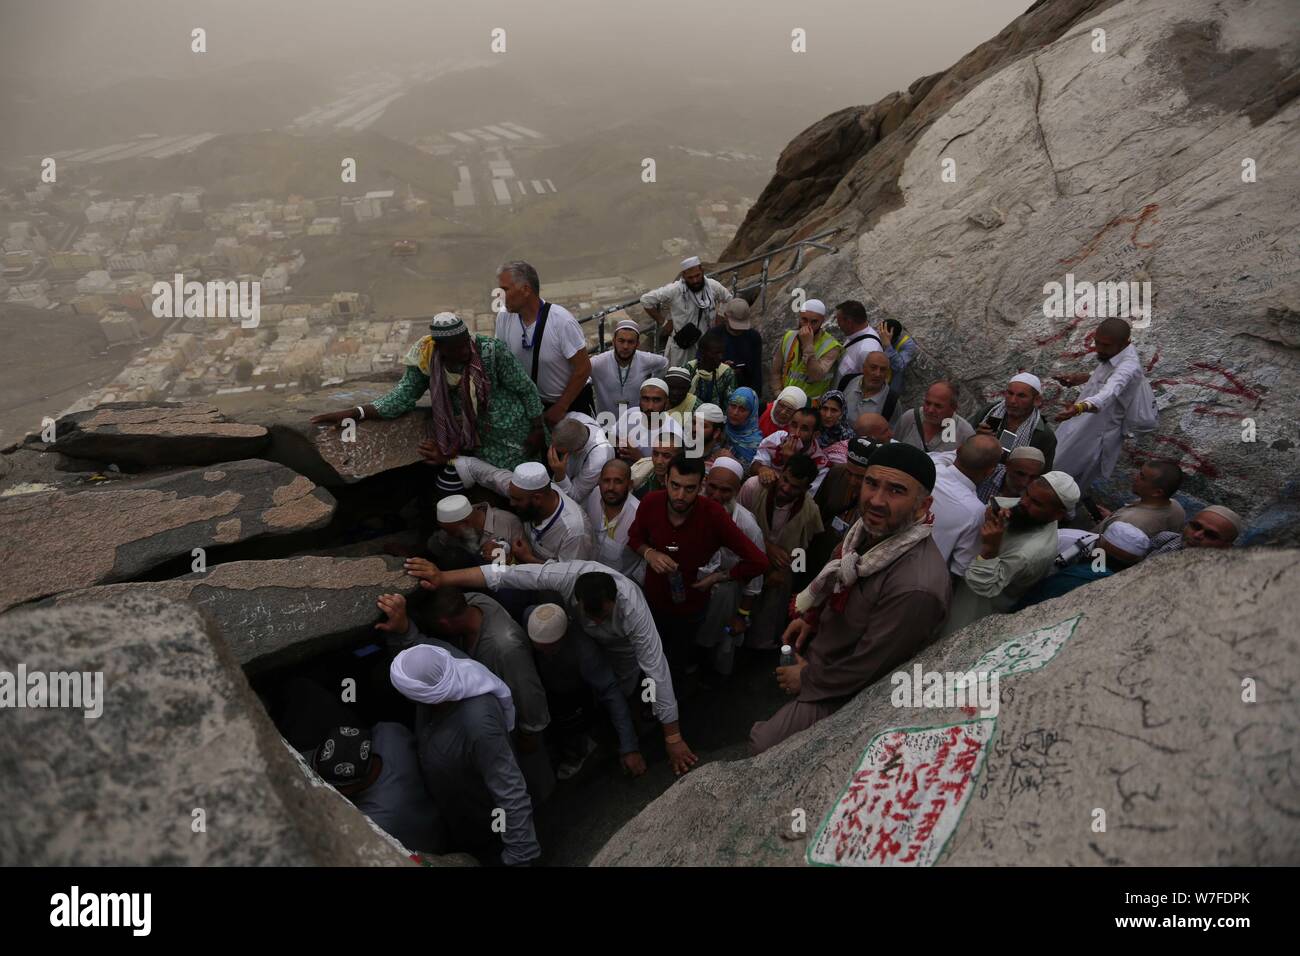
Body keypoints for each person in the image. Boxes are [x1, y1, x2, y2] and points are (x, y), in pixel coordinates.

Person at [404, 558, 697, 775]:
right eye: (589, 613)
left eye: (602, 614)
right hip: (575, 655)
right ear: (574, 599)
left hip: (623, 649)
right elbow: (507, 574)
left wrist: (672, 737)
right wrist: (443, 576)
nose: (595, 620)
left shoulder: (632, 607)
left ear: (614, 601)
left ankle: (629, 726)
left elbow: (656, 667)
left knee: (623, 687)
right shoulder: (564, 579)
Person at [749, 442, 951, 755]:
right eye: (871, 484)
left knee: (763, 746)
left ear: (923, 506)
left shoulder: (916, 587)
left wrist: (807, 677)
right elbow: (838, 583)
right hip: (825, 658)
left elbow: (870, 668)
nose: (876, 500)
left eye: (896, 490)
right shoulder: (866, 532)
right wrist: (811, 618)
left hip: (844, 692)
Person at [380, 587, 554, 803]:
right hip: (502, 717)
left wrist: (531, 731)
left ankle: (548, 806)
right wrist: (405, 631)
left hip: (518, 723)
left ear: (444, 624)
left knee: (528, 772)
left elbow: (528, 690)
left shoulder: (506, 646)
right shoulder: (473, 603)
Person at [310, 312, 543, 470]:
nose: (464, 351)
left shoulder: (491, 351)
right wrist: (356, 412)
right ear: (440, 348)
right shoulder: (427, 359)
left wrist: (537, 428)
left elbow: (526, 389)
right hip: (472, 437)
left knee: (527, 474)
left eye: (465, 343)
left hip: (512, 427)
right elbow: (404, 395)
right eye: (456, 348)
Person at [390, 642, 541, 865]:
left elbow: (511, 791)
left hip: (490, 827)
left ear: (424, 695)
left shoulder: (479, 725)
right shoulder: (443, 676)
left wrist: (520, 856)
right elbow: (422, 658)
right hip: (462, 818)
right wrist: (403, 633)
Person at [628, 452, 769, 664]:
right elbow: (634, 538)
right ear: (665, 480)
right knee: (648, 653)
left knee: (678, 657)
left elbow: (759, 562)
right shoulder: (650, 502)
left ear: (700, 485)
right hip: (652, 600)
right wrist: (649, 553)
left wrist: (718, 577)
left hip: (690, 607)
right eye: (675, 486)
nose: (680, 496)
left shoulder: (714, 515)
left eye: (689, 489)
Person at [943, 471, 1079, 635]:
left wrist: (990, 549)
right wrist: (992, 514)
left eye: (1035, 503)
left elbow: (983, 585)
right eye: (1026, 494)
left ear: (1057, 514)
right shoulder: (1028, 512)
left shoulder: (1030, 552)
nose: (1024, 502)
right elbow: (1005, 504)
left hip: (973, 607)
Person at [525, 604, 645, 779]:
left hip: (573, 691)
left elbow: (611, 693)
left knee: (572, 720)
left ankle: (581, 747)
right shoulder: (531, 615)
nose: (543, 651)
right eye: (538, 646)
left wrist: (629, 748)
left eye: (548, 647)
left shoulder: (585, 651)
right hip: (544, 682)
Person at [304, 722, 446, 854]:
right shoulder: (389, 733)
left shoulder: (378, 819)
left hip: (423, 842)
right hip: (426, 803)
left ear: (349, 788)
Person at [1052, 317, 1158, 493]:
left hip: (1095, 435)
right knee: (1053, 466)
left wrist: (1078, 409)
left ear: (1125, 344)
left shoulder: (1129, 367)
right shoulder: (1113, 354)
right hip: (1078, 424)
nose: (1100, 349)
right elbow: (1103, 376)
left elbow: (1108, 392)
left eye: (1106, 345)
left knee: (1064, 481)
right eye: (1097, 343)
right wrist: (1081, 378)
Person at [738, 455, 824, 650]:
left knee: (778, 594)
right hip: (745, 557)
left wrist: (789, 576)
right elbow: (735, 527)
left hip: (780, 570)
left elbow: (802, 551)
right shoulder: (753, 487)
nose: (785, 488)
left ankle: (760, 647)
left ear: (806, 489)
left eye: (794, 486)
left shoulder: (810, 512)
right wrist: (767, 547)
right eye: (785, 480)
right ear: (780, 473)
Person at [495, 260, 594, 424]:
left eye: (505, 289)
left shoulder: (561, 321)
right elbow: (503, 360)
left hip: (570, 404)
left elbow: (583, 368)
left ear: (525, 290)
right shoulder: (504, 317)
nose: (499, 294)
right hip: (534, 407)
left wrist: (561, 407)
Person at [694, 457, 764, 678]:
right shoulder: (690, 507)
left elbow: (754, 581)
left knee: (720, 644)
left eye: (725, 490)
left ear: (737, 490)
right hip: (692, 588)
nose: (715, 495)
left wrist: (742, 616)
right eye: (712, 487)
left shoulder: (747, 525)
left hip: (725, 595)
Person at [451, 459, 591, 563]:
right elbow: (492, 475)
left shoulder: (574, 531)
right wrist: (453, 460)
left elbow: (568, 575)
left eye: (517, 500)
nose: (511, 503)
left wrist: (527, 558)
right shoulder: (522, 492)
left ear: (537, 499)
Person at [1014, 521, 1150, 609]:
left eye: (1118, 564)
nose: (1103, 564)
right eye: (1106, 557)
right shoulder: (1064, 540)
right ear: (1099, 541)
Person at [972, 372, 1057, 500]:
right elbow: (962, 444)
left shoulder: (1043, 435)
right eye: (1010, 393)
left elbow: (1040, 477)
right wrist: (977, 439)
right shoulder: (990, 412)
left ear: (1036, 400)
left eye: (1021, 396)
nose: (1012, 401)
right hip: (974, 480)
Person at [929, 434, 1003, 577]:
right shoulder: (975, 512)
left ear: (958, 450)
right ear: (990, 471)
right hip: (926, 579)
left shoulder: (932, 466)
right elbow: (961, 569)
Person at [641, 255, 733, 369]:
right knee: (680, 378)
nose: (695, 280)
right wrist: (663, 322)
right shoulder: (674, 290)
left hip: (705, 343)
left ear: (702, 271)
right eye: (690, 277)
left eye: (697, 276)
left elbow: (728, 298)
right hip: (682, 346)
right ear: (684, 276)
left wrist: (720, 315)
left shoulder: (712, 286)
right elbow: (646, 300)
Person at [584, 458, 645, 583]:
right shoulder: (594, 496)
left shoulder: (639, 515)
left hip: (622, 586)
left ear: (630, 485)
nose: (611, 487)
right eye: (606, 481)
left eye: (618, 481)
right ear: (599, 482)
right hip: (590, 577)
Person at [427, 493, 524, 570]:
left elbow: (525, 567)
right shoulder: (447, 533)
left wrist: (504, 558)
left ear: (466, 523)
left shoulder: (508, 523)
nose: (448, 535)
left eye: (452, 532)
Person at [590, 319, 667, 416]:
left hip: (636, 421)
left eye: (630, 342)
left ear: (637, 344)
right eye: (621, 341)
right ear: (613, 342)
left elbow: (664, 363)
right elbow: (580, 373)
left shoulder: (645, 359)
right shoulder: (598, 362)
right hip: (606, 421)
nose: (625, 346)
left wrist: (653, 385)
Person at [770, 298, 842, 403]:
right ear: (799, 317)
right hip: (785, 400)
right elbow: (776, 371)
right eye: (804, 320)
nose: (808, 326)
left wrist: (808, 345)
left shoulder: (831, 346)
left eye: (814, 322)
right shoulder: (789, 337)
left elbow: (816, 375)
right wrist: (778, 393)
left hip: (810, 406)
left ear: (822, 320)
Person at [1096, 460, 1186, 537]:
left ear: (1157, 492)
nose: (1135, 478)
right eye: (1140, 473)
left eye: (1142, 478)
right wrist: (1111, 519)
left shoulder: (1130, 523)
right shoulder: (1175, 507)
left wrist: (1119, 520)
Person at [751, 407, 829, 494]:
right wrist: (762, 469)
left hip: (791, 504)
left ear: (815, 435)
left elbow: (804, 495)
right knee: (753, 483)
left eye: (804, 429)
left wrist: (790, 461)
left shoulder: (820, 463)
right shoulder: (777, 438)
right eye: (794, 425)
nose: (796, 433)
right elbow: (755, 466)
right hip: (766, 491)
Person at [546, 414, 615, 506]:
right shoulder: (574, 416)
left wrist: (560, 474)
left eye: (560, 452)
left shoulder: (597, 461)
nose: (552, 452)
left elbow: (575, 496)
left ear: (576, 451)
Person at [894, 381, 975, 453]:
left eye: (938, 406)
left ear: (953, 408)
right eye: (927, 403)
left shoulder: (965, 433)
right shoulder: (910, 418)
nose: (930, 410)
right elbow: (893, 448)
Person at [611, 377, 669, 462]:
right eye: (645, 399)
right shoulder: (631, 413)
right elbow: (612, 435)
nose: (650, 407)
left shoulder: (673, 432)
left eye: (656, 400)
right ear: (640, 400)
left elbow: (667, 470)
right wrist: (621, 447)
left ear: (666, 403)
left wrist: (639, 459)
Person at [1148, 505, 1243, 556]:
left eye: (1210, 535)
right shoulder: (1166, 538)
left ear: (1226, 547)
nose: (1197, 535)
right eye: (1196, 526)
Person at [716, 297, 763, 391]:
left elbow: (756, 371)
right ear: (725, 316)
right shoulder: (714, 335)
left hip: (745, 389)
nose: (738, 330)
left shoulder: (753, 337)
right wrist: (722, 368)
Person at [832, 299, 883, 383]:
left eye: (839, 321)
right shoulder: (854, 334)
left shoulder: (867, 350)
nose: (838, 326)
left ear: (849, 322)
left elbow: (868, 385)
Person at [685, 328, 736, 410]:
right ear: (702, 353)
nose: (721, 357)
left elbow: (729, 404)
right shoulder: (689, 369)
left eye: (722, 353)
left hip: (716, 419)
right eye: (715, 353)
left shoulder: (726, 373)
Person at [840, 351, 896, 422]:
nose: (877, 374)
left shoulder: (891, 402)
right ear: (864, 368)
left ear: (887, 373)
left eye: (883, 370)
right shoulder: (847, 381)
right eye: (873, 368)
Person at [632, 423, 683, 500]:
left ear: (679, 457)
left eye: (666, 456)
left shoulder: (684, 488)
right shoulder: (639, 473)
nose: (659, 461)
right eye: (655, 454)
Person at [724, 386, 764, 466]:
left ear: (751, 413)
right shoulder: (719, 425)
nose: (735, 413)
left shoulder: (756, 444)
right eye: (733, 406)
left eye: (742, 409)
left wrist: (732, 460)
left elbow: (751, 471)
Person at [880, 318, 917, 400]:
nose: (881, 334)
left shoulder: (908, 344)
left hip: (891, 388)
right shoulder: (878, 334)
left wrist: (887, 346)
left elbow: (899, 366)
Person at [813, 390, 855, 461]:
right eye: (825, 409)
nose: (828, 415)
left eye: (834, 410)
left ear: (842, 413)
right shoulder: (812, 427)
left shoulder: (847, 436)